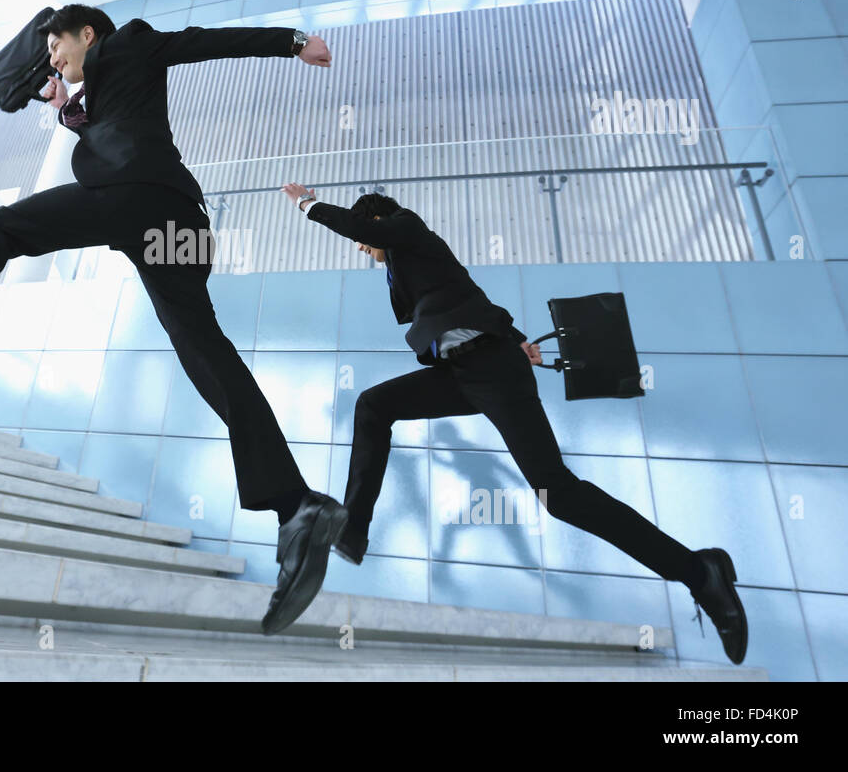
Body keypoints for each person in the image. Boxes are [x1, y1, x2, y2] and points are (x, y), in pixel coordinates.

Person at [0, 4, 346, 635]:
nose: (53, 59)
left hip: (139, 200)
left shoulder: (133, 42)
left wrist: (291, 41)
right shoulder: (108, 90)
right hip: (176, 225)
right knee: (206, 355)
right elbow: (110, 126)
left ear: (87, 33)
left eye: (57, 47)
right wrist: (67, 105)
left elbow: (204, 40)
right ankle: (296, 506)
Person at [280, 181, 748, 664]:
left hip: (491, 371)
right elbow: (468, 295)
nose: (360, 247)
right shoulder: (407, 260)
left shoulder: (409, 229)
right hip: (463, 372)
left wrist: (307, 204)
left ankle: (698, 571)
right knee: (373, 406)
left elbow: (364, 231)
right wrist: (516, 338)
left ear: (377, 220)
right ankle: (353, 531)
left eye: (365, 235)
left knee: (558, 494)